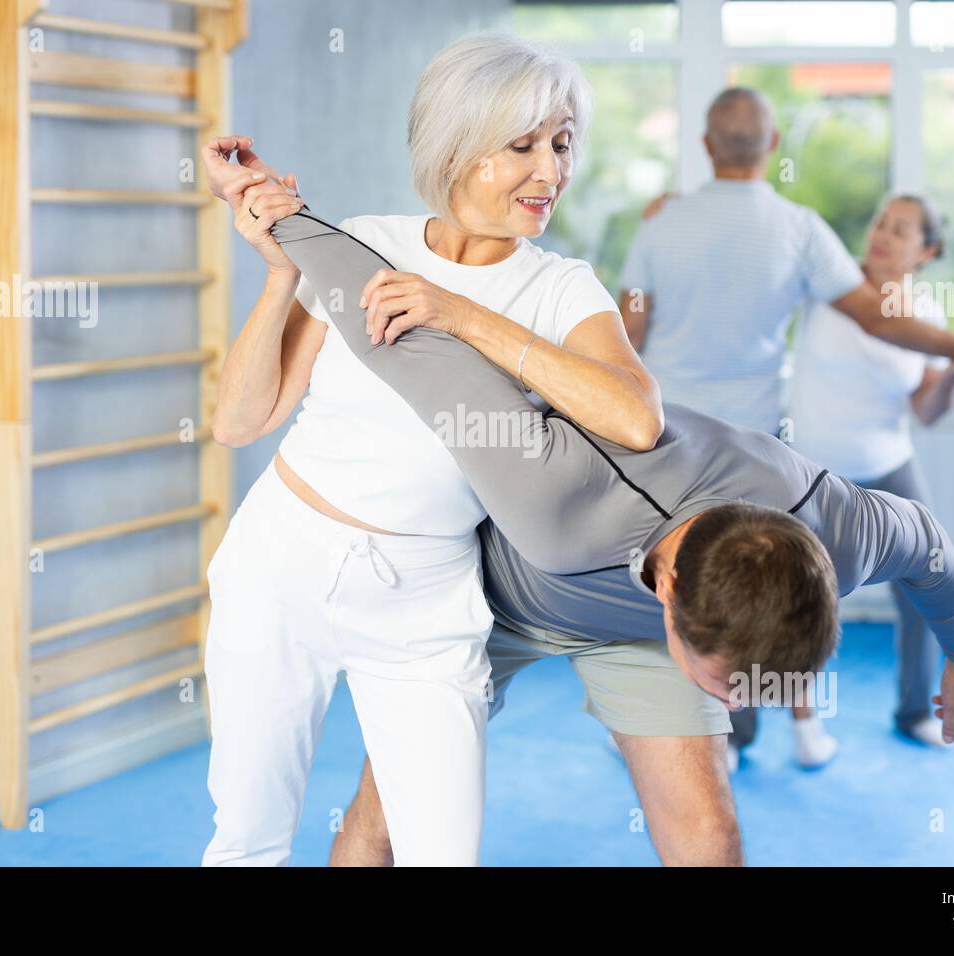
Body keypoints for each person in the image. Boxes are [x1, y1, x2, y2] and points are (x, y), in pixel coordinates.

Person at [256, 209, 954, 866]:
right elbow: (422, 351)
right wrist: (286, 217)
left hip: (639, 629)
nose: (750, 699)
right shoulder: (552, 491)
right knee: (388, 826)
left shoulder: (837, 528)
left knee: (709, 841)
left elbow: (927, 545)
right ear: (670, 594)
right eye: (732, 682)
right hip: (499, 602)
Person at [199, 32, 662, 867]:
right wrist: (280, 274)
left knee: (443, 854)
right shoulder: (367, 242)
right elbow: (240, 420)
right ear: (456, 143)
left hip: (425, 599)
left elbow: (634, 416)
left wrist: (459, 314)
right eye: (521, 145)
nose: (550, 171)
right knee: (247, 839)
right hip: (282, 561)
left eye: (560, 143)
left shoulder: (561, 288)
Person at [618, 87, 954, 767]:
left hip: (663, 438)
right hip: (745, 450)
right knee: (746, 588)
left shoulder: (659, 225)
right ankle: (736, 731)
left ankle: (695, 735)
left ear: (706, 146)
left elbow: (629, 324)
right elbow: (877, 315)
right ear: (773, 147)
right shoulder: (799, 228)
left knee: (666, 586)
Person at [788, 193, 954, 748]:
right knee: (797, 597)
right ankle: (803, 721)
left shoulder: (929, 316)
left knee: (927, 584)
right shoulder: (833, 285)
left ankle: (913, 711)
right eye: (880, 222)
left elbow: (925, 411)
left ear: (926, 251)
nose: (882, 234)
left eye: (901, 230)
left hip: (887, 464)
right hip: (814, 467)